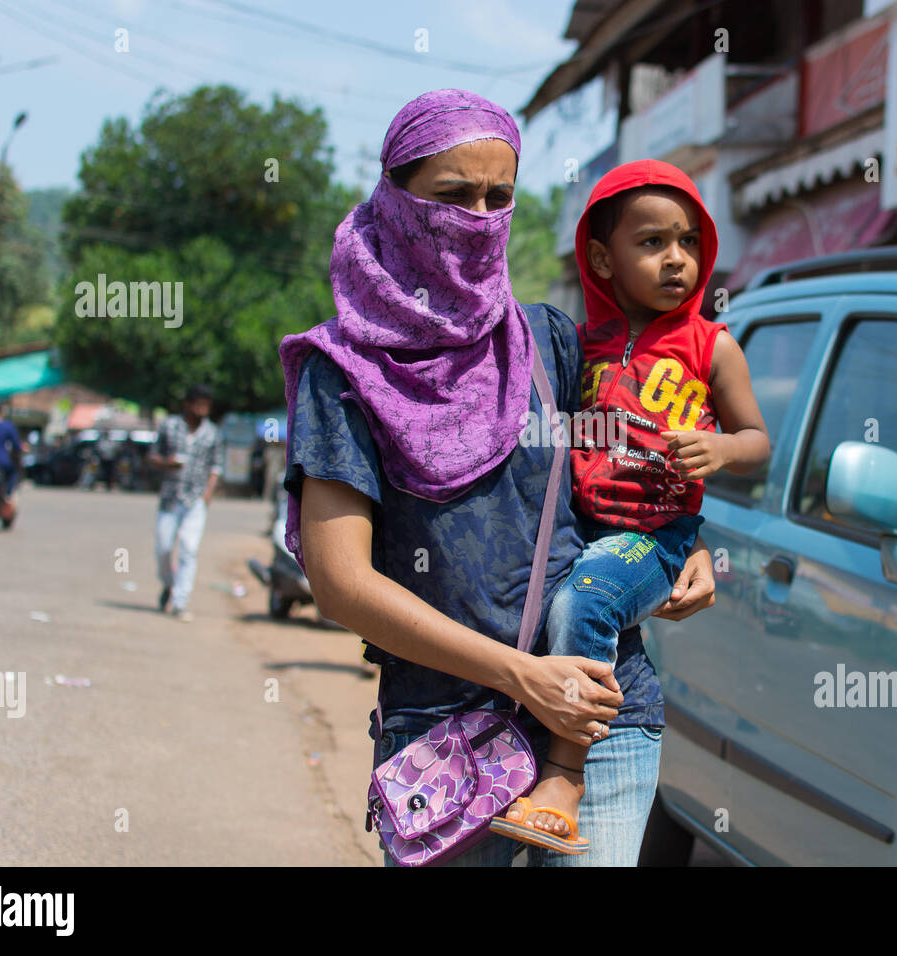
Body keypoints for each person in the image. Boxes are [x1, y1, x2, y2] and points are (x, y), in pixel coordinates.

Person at [279, 89, 716, 868]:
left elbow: (632, 470)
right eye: (453, 197)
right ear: (395, 199)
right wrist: (520, 675)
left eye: (499, 197)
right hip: (443, 735)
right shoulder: (339, 370)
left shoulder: (548, 341)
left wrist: (687, 545)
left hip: (597, 718)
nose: (480, 218)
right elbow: (341, 582)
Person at [489, 161, 770, 853]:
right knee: (570, 599)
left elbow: (759, 440)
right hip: (586, 530)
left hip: (656, 535)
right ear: (599, 258)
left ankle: (565, 777)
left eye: (689, 242)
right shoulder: (575, 348)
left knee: (582, 605)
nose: (677, 259)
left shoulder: (714, 344)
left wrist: (721, 450)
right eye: (651, 243)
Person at [148, 385, 224, 622]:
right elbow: (152, 457)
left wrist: (208, 494)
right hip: (170, 498)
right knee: (163, 548)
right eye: (199, 404)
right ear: (188, 404)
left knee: (189, 550)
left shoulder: (212, 433)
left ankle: (181, 602)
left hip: (196, 500)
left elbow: (216, 467)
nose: (203, 409)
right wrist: (166, 463)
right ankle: (169, 584)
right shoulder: (170, 426)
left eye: (206, 405)